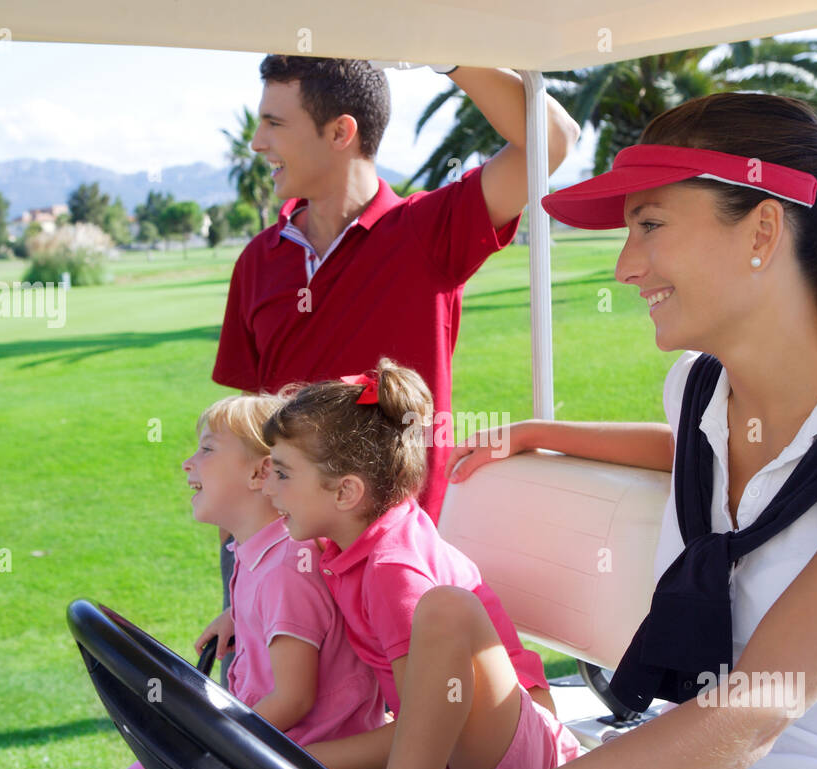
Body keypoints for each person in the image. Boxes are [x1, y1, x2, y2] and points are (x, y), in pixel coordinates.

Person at [292, 92, 817, 769]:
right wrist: (544, 432)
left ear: (762, 229)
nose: (625, 265)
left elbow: (757, 710)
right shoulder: (701, 390)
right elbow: (703, 451)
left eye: (650, 224)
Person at [210, 54, 579, 675]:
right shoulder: (257, 261)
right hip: (275, 562)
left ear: (340, 131)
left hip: (383, 566)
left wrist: (446, 47)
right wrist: (238, 580)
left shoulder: (428, 229)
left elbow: (553, 141)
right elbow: (247, 434)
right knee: (264, 754)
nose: (258, 141)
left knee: (389, 750)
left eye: (274, 123)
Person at [258, 358, 580, 769]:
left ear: (346, 492)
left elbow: (422, 731)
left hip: (514, 759)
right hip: (462, 746)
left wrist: (290, 754)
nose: (267, 487)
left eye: (282, 473)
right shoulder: (354, 539)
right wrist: (237, 614)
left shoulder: (394, 570)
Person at [97, 394, 387, 769]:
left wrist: (218, 745)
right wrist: (238, 614)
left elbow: (294, 699)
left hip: (298, 763)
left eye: (207, 450)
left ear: (259, 474)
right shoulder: (259, 555)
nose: (188, 462)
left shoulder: (285, 568)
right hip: (271, 749)